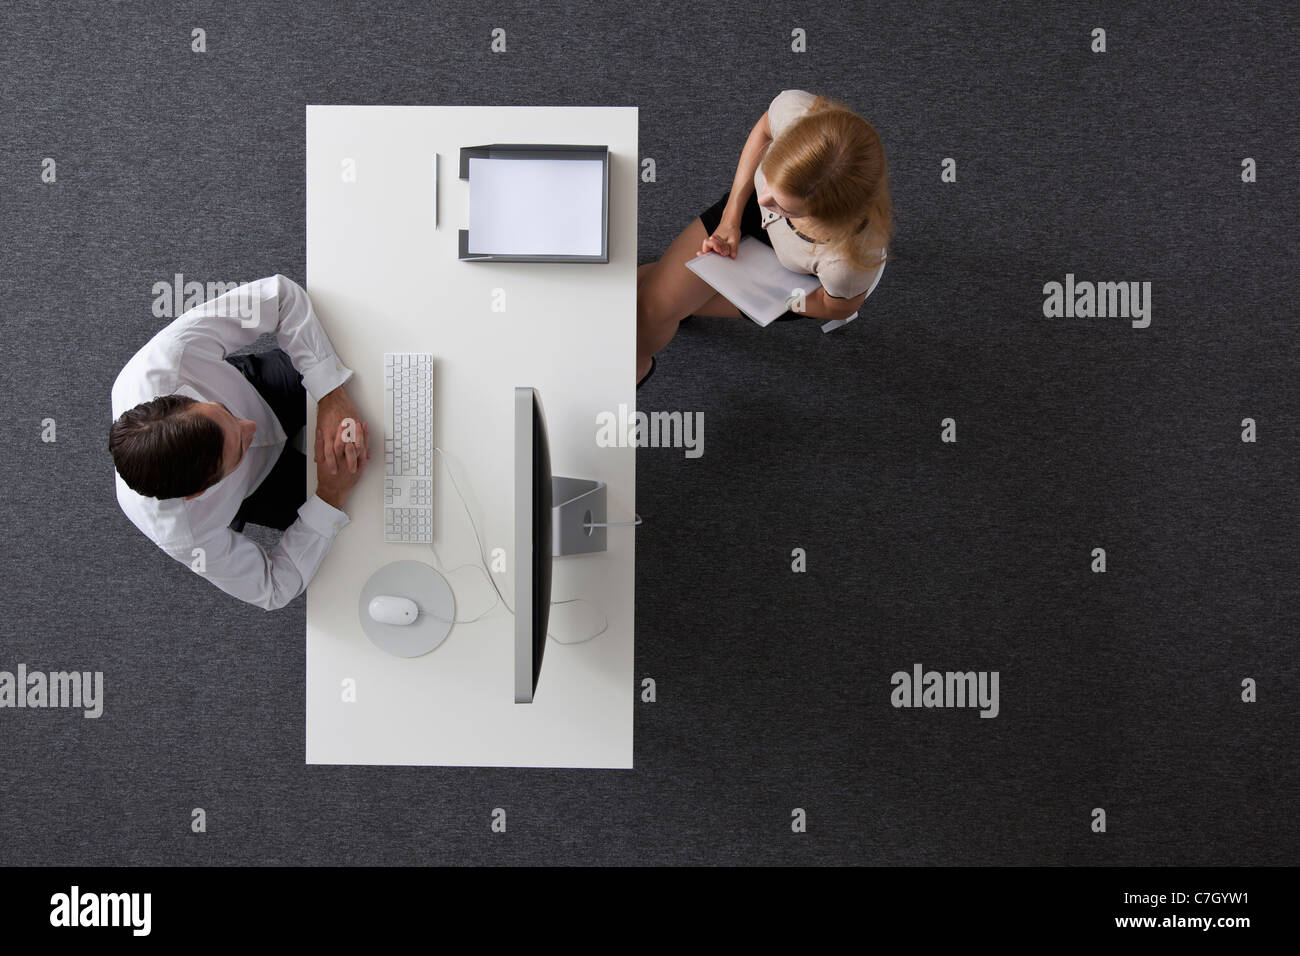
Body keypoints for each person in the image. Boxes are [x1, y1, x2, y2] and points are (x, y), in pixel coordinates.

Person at [109, 274, 371, 610]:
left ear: (182, 399)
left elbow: (280, 298)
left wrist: (331, 393)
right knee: (370, 510)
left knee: (367, 370)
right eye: (238, 451)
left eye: (223, 412)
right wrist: (330, 496)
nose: (250, 428)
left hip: (258, 390)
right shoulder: (183, 532)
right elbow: (274, 588)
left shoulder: (169, 357)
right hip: (258, 489)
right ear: (197, 494)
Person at [637, 89, 894, 386]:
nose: (763, 199)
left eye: (783, 206)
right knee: (643, 292)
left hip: (789, 286)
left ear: (825, 217)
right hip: (742, 220)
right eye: (769, 179)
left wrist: (766, 291)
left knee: (650, 306)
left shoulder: (844, 266)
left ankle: (637, 368)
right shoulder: (798, 114)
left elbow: (837, 307)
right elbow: (763, 130)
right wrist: (730, 217)